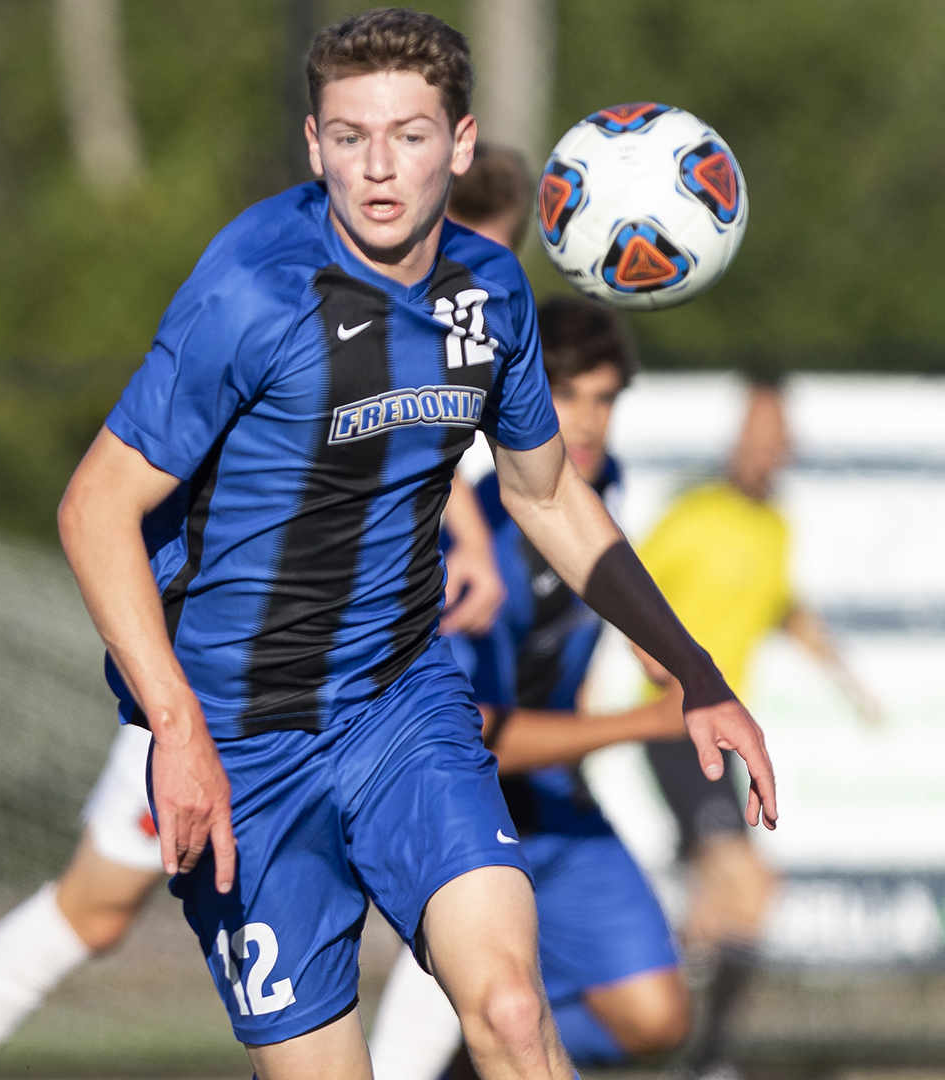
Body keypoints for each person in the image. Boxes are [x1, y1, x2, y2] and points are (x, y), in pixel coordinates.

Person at [55, 9, 776, 1080]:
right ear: (313, 145)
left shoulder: (489, 294)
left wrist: (694, 667)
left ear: (464, 143)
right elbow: (93, 509)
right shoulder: (251, 288)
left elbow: (549, 497)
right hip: (239, 735)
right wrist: (175, 730)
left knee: (514, 1010)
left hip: (401, 703)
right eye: (349, 137)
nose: (378, 169)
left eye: (408, 135)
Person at [0, 168, 517, 1080]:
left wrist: (469, 534)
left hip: (362, 704)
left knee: (475, 959)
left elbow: (411, 465)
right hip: (216, 704)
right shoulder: (290, 309)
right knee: (95, 907)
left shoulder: (452, 355)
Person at [370, 297, 695, 1080]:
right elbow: (472, 731)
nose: (585, 422)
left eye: (604, 397)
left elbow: (585, 584)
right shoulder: (467, 540)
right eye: (564, 394)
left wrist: (649, 641)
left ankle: (482, 1053)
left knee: (657, 1017)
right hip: (466, 816)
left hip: (554, 805)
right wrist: (644, 723)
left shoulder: (601, 484)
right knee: (442, 1037)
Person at [638, 372, 874, 1080]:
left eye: (774, 436)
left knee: (734, 906)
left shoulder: (774, 527)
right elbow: (629, 588)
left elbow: (782, 607)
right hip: (673, 728)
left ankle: (699, 1049)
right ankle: (689, 1039)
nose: (762, 448)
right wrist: (652, 661)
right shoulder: (694, 513)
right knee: (746, 888)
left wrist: (847, 679)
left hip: (724, 736)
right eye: (753, 433)